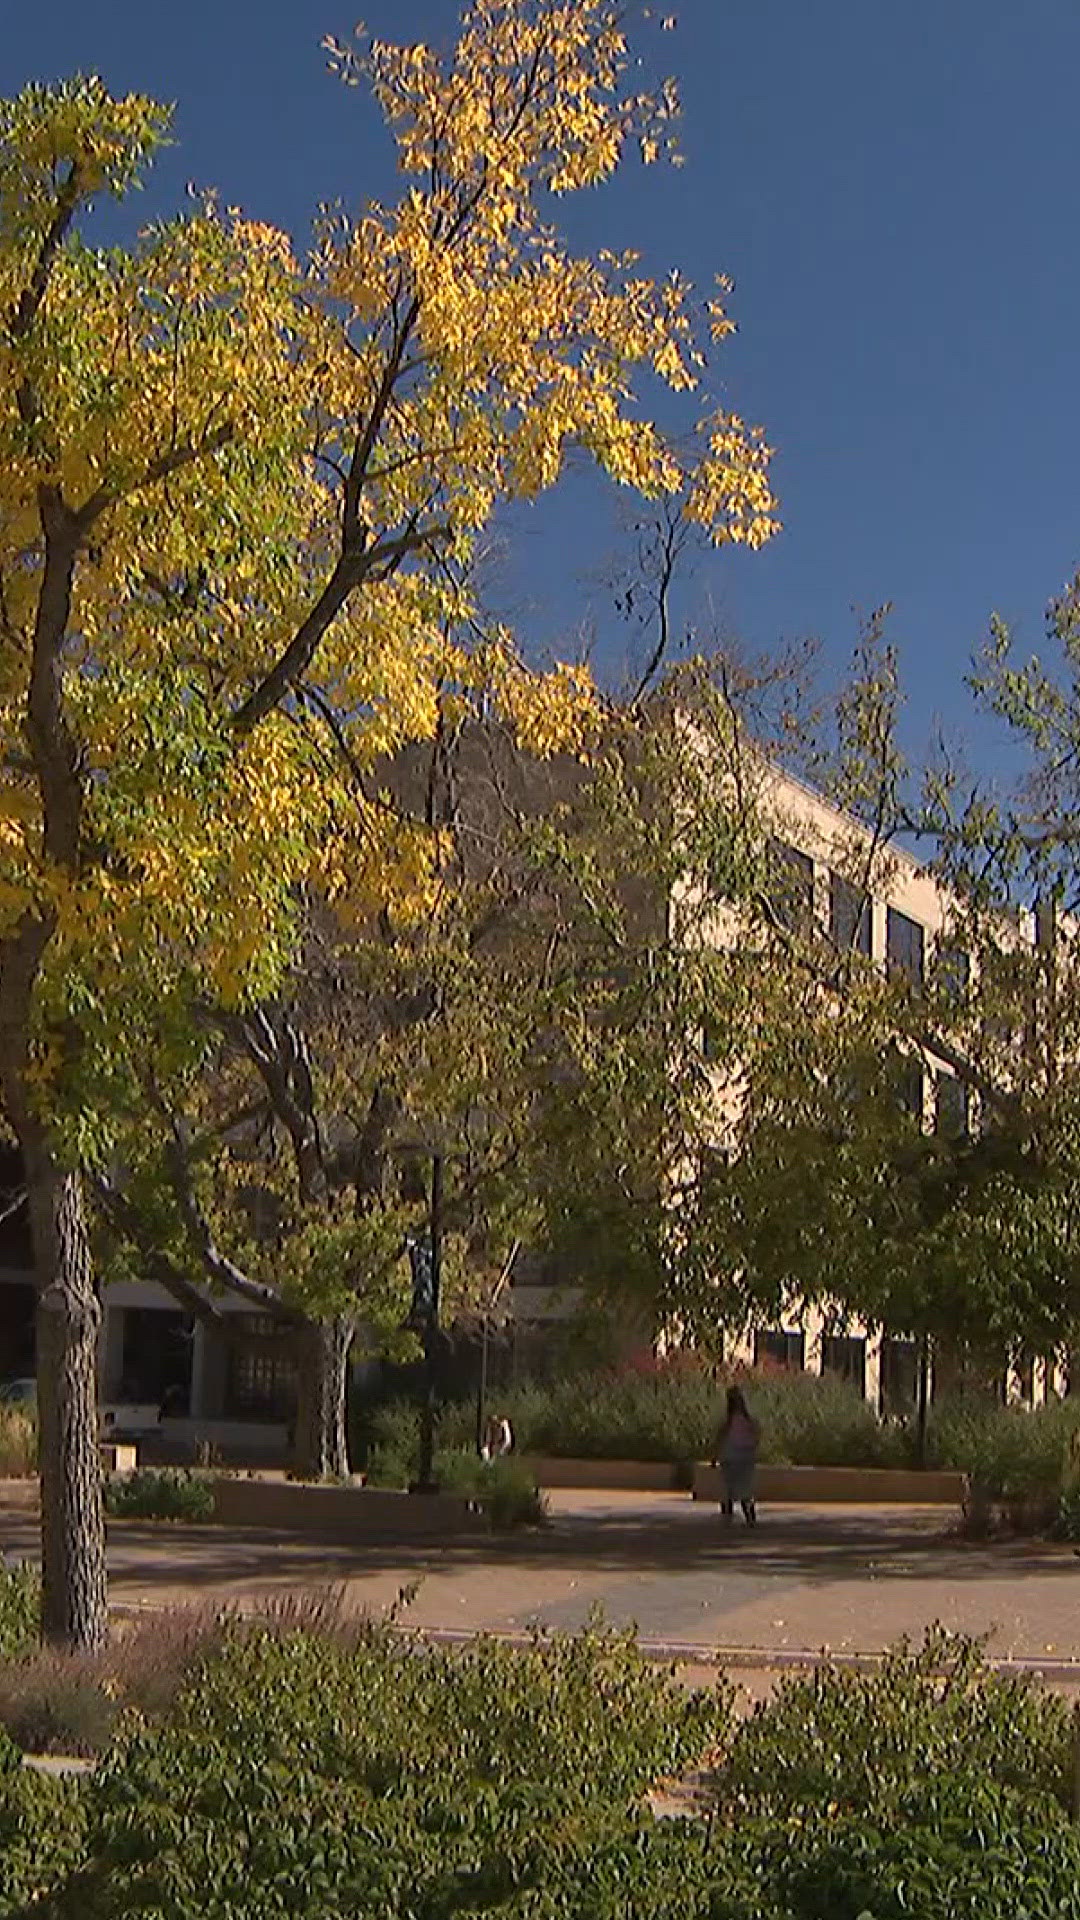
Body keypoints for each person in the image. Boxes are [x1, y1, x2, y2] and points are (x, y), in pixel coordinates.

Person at [717, 1385, 759, 1526]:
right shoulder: (748, 1421)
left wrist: (715, 1455)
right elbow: (756, 1435)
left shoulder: (728, 1422)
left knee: (729, 1488)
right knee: (745, 1489)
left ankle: (728, 1517)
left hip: (730, 1455)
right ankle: (749, 1517)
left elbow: (721, 1437)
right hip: (745, 1456)